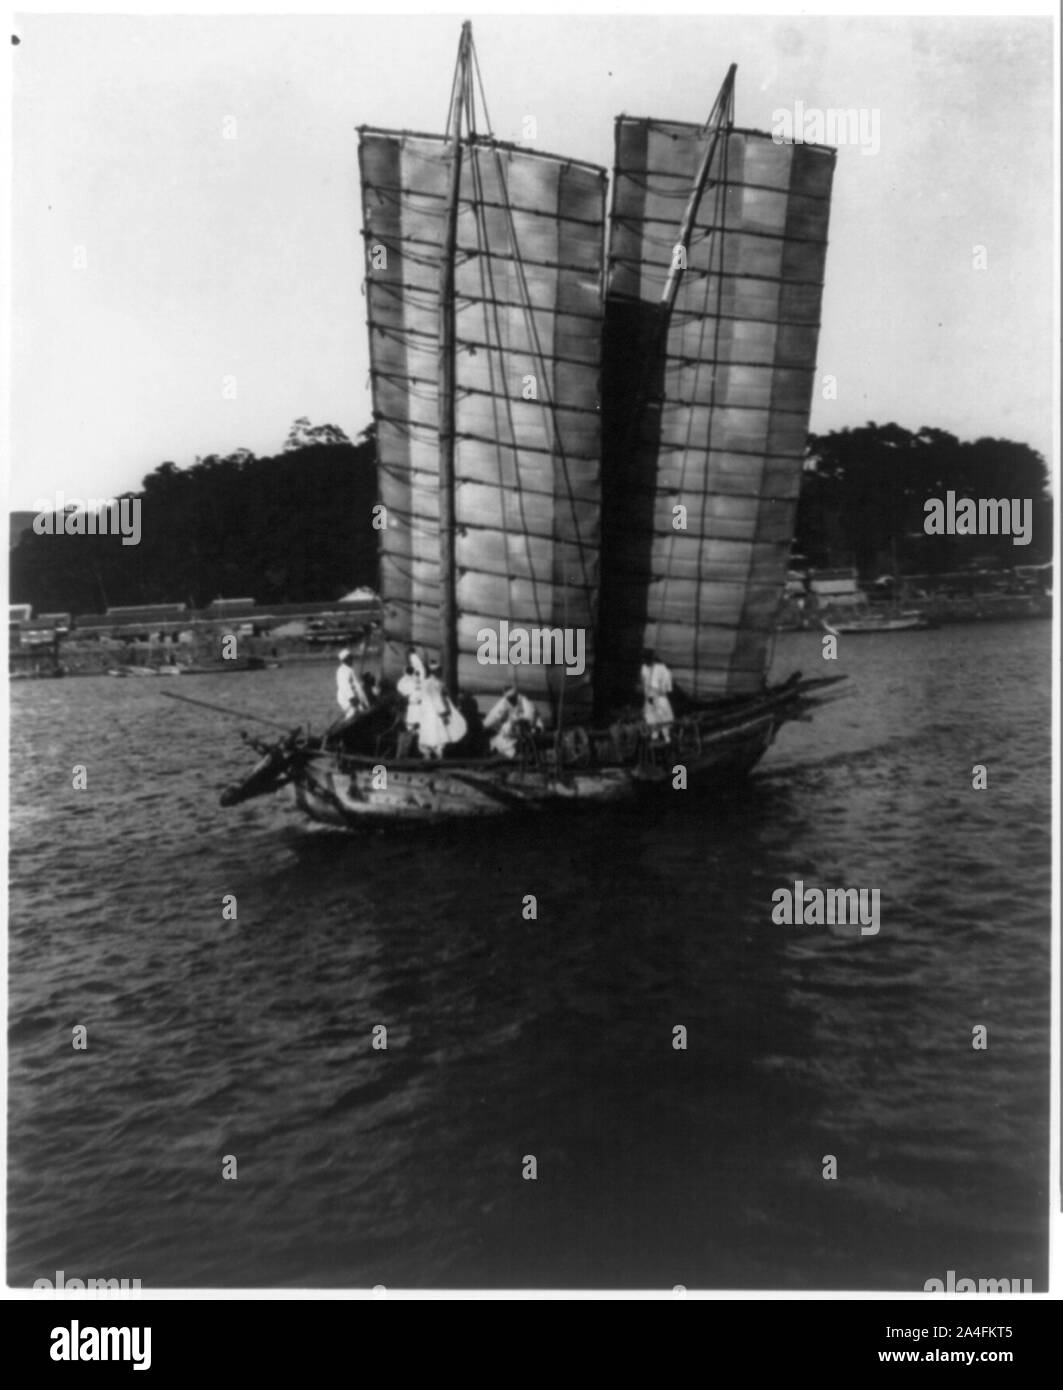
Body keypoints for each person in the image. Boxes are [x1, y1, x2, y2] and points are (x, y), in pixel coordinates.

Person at [483, 685, 543, 759]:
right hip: (515, 728)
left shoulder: (524, 701)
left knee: (509, 734)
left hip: (531, 726)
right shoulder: (505, 701)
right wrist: (484, 725)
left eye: (513, 698)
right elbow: (495, 715)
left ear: (516, 695)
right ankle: (503, 752)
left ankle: (513, 753)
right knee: (499, 738)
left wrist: (515, 721)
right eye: (509, 698)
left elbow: (530, 716)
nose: (511, 700)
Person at [418, 658, 458, 760]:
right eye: (439, 670)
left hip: (425, 713)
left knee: (427, 734)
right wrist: (443, 712)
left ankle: (427, 755)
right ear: (436, 671)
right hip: (435, 713)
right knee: (438, 736)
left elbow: (421, 698)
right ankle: (438, 756)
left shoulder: (424, 683)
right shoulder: (437, 684)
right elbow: (438, 699)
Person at [395, 648, 425, 757]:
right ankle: (410, 754)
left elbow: (419, 668)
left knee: (416, 730)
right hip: (415, 708)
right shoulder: (413, 681)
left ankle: (417, 754)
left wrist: (412, 655)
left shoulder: (408, 682)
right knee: (413, 730)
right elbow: (420, 668)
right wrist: (413, 655)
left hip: (417, 708)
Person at [640, 648, 674, 742]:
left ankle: (667, 739)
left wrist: (656, 691)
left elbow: (667, 688)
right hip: (649, 700)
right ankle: (654, 738)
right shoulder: (643, 669)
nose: (645, 661)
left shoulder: (662, 669)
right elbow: (644, 687)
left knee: (664, 721)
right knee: (651, 721)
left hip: (660, 698)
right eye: (644, 659)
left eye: (647, 659)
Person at [335, 647, 370, 719]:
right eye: (350, 658)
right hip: (346, 698)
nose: (352, 660)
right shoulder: (343, 670)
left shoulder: (349, 669)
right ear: (345, 660)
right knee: (352, 715)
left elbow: (355, 685)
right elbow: (345, 686)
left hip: (354, 697)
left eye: (351, 657)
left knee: (361, 712)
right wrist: (351, 698)